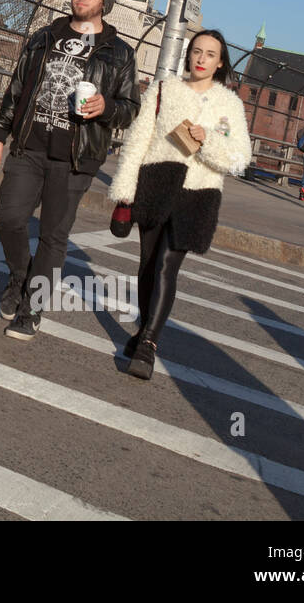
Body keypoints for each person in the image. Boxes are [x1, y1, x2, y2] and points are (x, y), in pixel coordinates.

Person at [0, 0, 140, 342]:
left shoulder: (119, 53)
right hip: (30, 146)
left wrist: (105, 107)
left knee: (54, 235)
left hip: (75, 158)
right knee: (9, 217)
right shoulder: (45, 36)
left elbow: (130, 108)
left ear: (105, 0)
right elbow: (18, 88)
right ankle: (19, 278)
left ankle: (31, 308)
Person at [108, 30, 252, 380]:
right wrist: (125, 190)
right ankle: (145, 330)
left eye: (210, 54)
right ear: (188, 55)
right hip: (156, 182)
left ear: (220, 63)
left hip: (197, 192)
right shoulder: (164, 89)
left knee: (165, 267)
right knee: (146, 265)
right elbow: (138, 139)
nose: (201, 59)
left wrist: (209, 141)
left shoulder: (228, 104)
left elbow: (239, 159)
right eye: (196, 51)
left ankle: (148, 345)